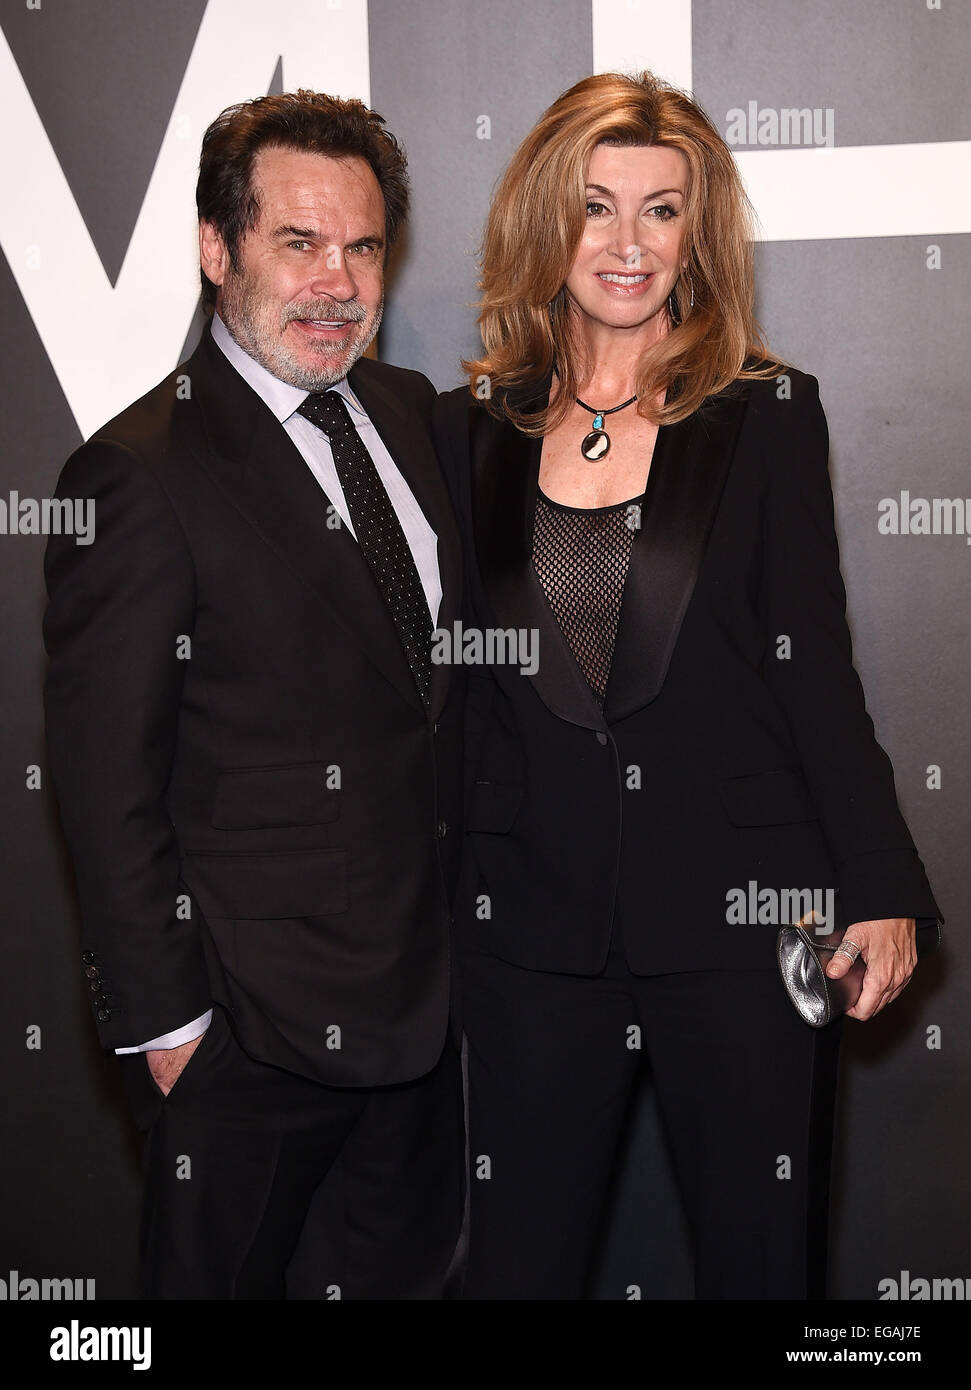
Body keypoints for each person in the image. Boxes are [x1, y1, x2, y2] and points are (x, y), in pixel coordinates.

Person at [432, 70, 942, 1300]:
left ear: (693, 232)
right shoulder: (461, 429)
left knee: (763, 1272)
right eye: (594, 206)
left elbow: (815, 670)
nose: (625, 244)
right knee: (516, 1271)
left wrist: (877, 880)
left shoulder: (764, 414)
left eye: (660, 211)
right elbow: (447, 694)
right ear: (539, 221)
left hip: (738, 918)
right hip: (529, 933)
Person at [43, 90, 465, 1299]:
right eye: (298, 241)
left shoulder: (402, 416)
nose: (337, 281)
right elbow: (106, 793)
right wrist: (174, 1036)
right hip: (249, 1048)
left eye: (364, 246)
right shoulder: (133, 477)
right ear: (215, 247)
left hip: (427, 1034)